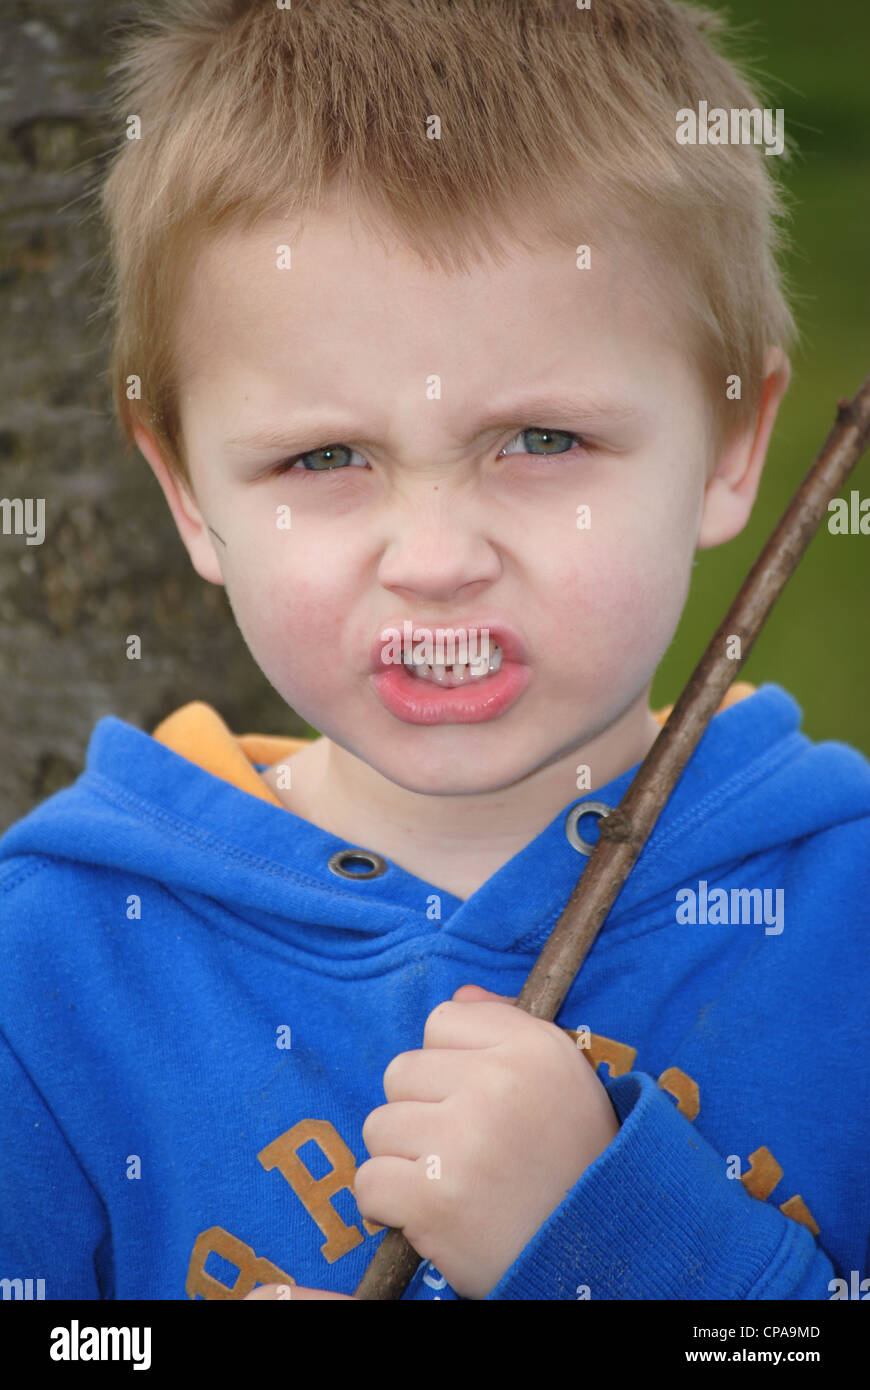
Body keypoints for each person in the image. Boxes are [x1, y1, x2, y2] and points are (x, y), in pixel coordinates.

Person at [1, 0, 867, 1302]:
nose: (434, 555)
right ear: (190, 499)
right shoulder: (57, 973)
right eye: (324, 458)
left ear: (732, 446)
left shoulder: (843, 924)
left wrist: (614, 1238)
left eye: (539, 441)